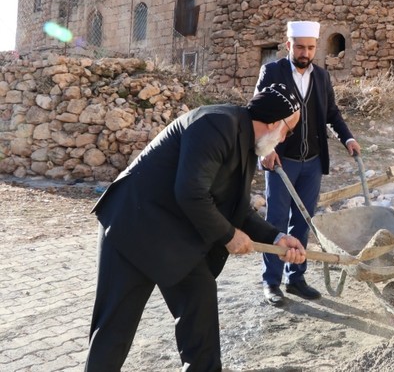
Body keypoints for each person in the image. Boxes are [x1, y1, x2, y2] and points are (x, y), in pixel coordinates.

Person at [85, 84, 307, 371]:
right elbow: (190, 192)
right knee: (114, 331)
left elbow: (237, 210)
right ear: (274, 123)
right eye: (288, 131)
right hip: (135, 227)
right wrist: (228, 236)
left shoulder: (246, 143)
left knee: (200, 325)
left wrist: (277, 238)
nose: (285, 138)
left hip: (177, 238)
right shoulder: (215, 125)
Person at [254, 21, 361, 306]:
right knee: (276, 221)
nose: (305, 52)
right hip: (281, 160)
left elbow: (332, 115)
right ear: (288, 45)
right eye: (300, 46)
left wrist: (348, 139)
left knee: (302, 221)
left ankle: (296, 278)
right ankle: (271, 281)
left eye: (311, 47)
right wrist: (265, 149)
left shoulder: (322, 77)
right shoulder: (272, 71)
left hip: (312, 162)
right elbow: (258, 111)